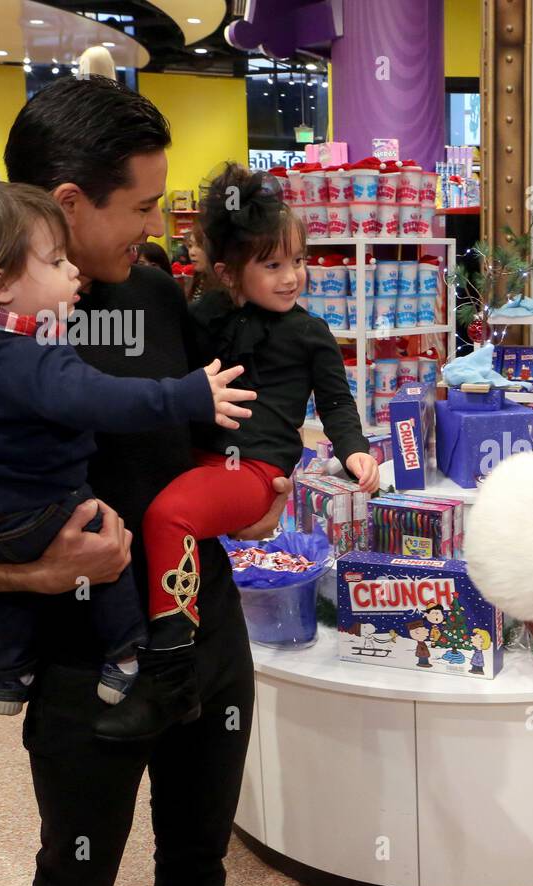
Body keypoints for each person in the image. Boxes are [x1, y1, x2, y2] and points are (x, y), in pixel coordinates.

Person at [0, 76, 289, 886]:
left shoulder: (154, 294)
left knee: (196, 863)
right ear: (70, 202)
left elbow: (210, 434)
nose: (153, 228)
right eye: (141, 207)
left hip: (204, 637)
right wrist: (28, 576)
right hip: (81, 670)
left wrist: (251, 487)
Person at [0, 178, 254, 718]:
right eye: (56, 261)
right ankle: (124, 651)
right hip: (38, 511)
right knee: (104, 547)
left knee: (7, 588)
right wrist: (187, 395)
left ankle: (5, 672)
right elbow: (102, 398)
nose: (72, 273)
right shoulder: (33, 356)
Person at [93, 163, 377, 739]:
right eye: (272, 265)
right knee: (156, 511)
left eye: (297, 261)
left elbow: (337, 403)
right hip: (201, 458)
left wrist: (354, 451)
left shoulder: (311, 333)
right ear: (228, 273)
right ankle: (129, 650)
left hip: (256, 469)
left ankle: (170, 673)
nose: (292, 276)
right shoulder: (203, 318)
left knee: (170, 514)